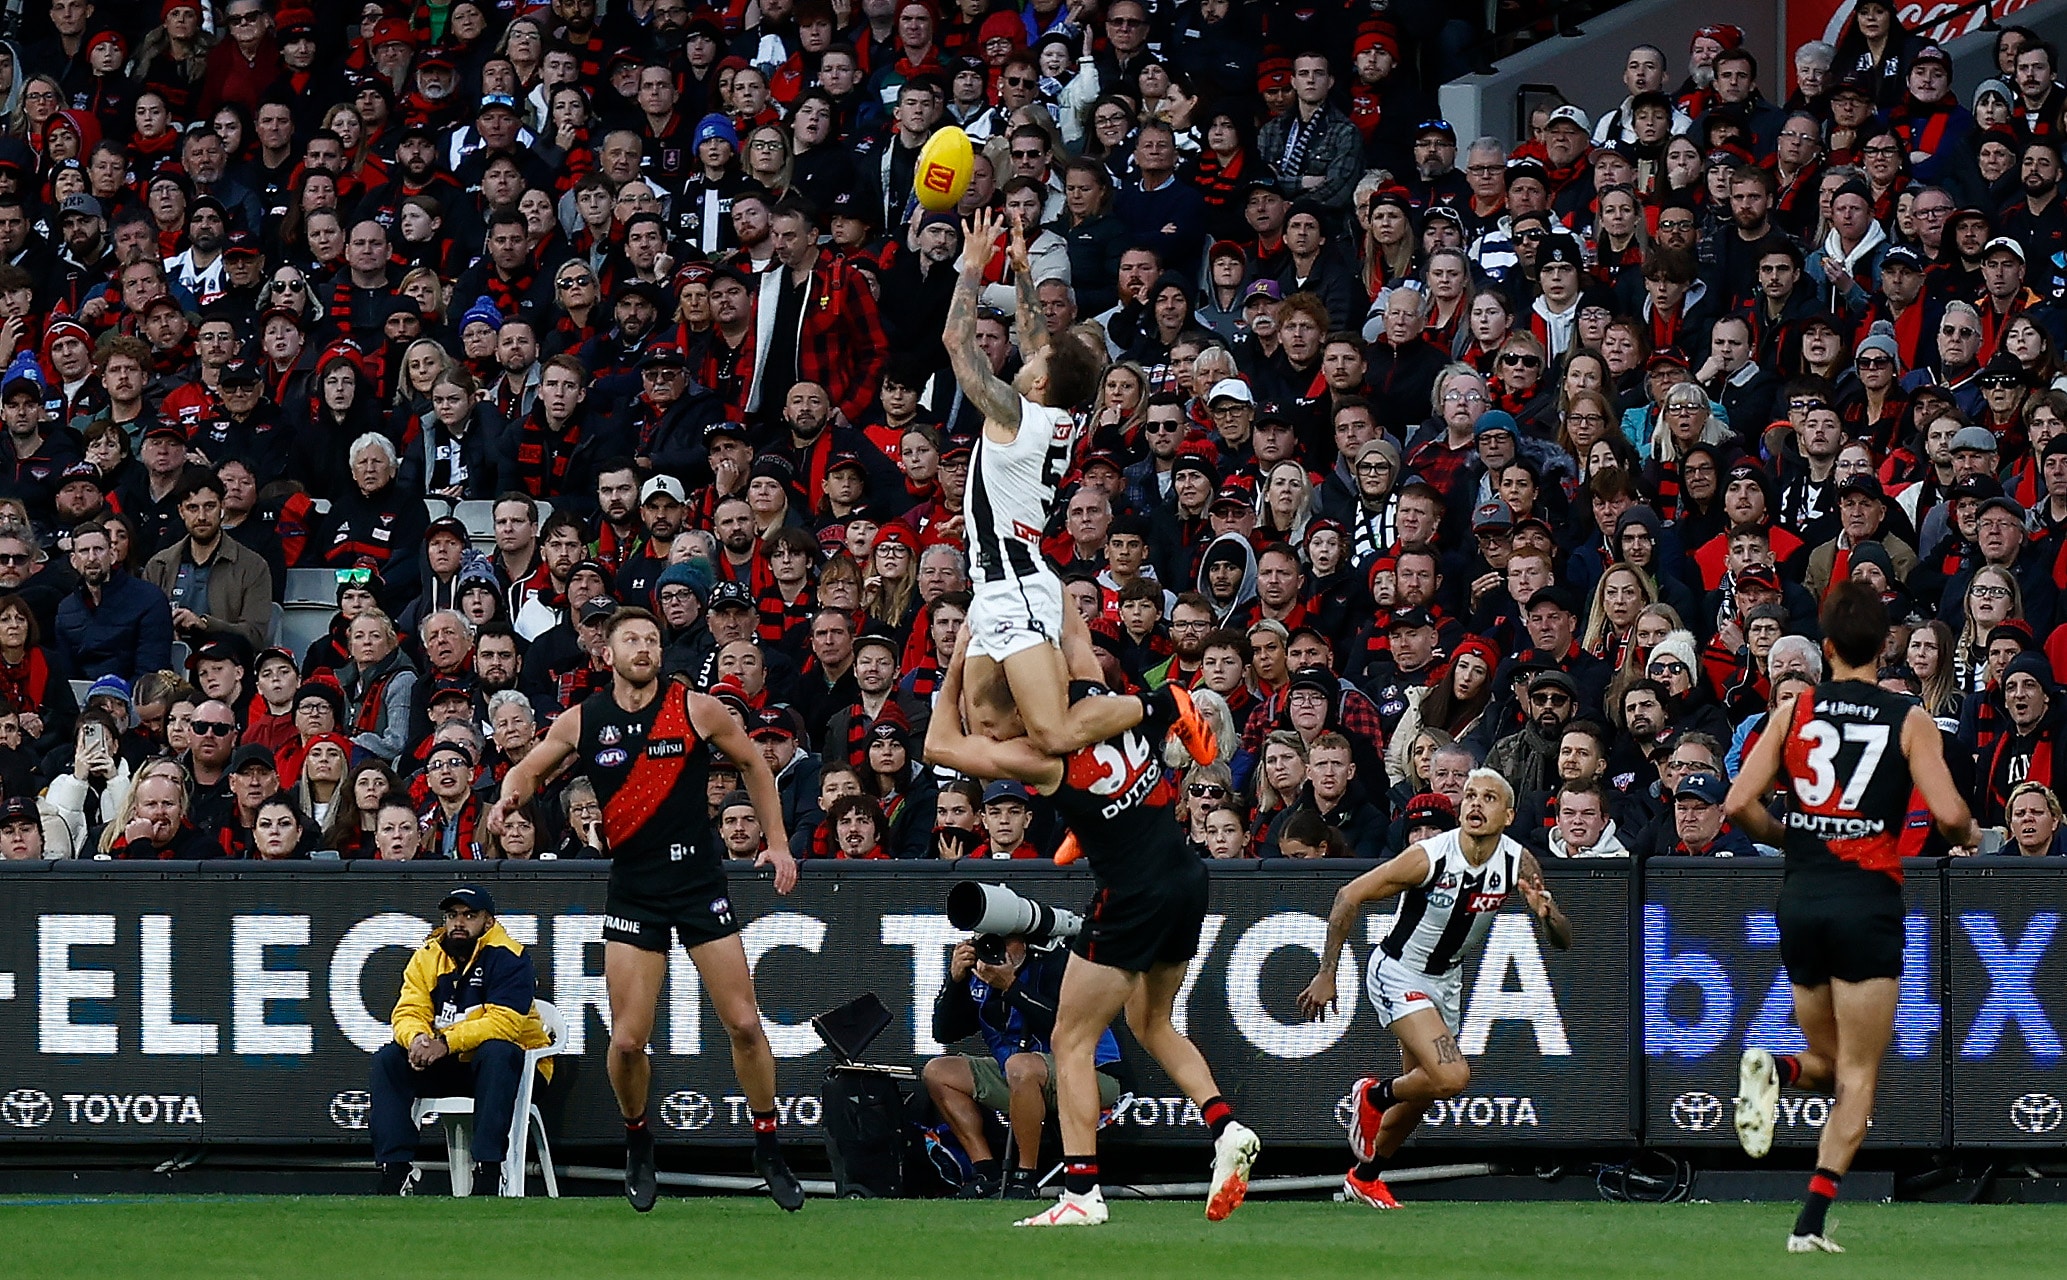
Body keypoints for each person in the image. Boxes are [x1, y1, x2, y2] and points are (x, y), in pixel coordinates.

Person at [925, 618, 1258, 1227]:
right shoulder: (1104, 701)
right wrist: (1040, 608)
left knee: (1070, 1041)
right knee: (1151, 1021)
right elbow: (1077, 638)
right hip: (1187, 878)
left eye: (992, 722)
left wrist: (961, 655)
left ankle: (1081, 1192)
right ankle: (1225, 1125)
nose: (991, 734)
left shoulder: (1044, 758)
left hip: (1131, 895)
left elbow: (939, 747)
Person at [486, 606, 804, 1213]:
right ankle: (638, 1139)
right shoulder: (584, 719)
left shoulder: (696, 708)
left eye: (652, 639)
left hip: (698, 882)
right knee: (629, 1040)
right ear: (606, 654)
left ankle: (768, 1145)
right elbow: (529, 768)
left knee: (744, 1024)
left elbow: (754, 765)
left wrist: (779, 843)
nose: (644, 647)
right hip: (635, 888)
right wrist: (508, 800)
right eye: (631, 639)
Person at [1725, 582, 1979, 1254]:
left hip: (1801, 899)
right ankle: (1809, 1223)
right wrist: (1967, 835)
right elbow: (1950, 814)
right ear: (1885, 646)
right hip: (1866, 902)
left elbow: (1739, 803)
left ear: (1827, 646)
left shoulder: (1795, 709)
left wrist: (1792, 837)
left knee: (1828, 1062)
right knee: (1858, 1074)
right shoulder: (1908, 717)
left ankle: (1778, 1070)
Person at [944, 208, 1207, 763]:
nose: (1023, 354)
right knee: (990, 728)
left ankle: (1163, 705)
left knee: (1054, 734)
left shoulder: (1017, 415)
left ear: (1039, 380)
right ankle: (1099, 767)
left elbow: (957, 344)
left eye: (1031, 359)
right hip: (1004, 577)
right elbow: (1041, 341)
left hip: (1013, 580)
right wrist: (1021, 271)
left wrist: (972, 268)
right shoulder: (1057, 416)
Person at [1295, 768, 1572, 1210]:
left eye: (1489, 798)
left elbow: (1563, 940)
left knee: (1422, 1094)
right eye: (1470, 796)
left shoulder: (1518, 862)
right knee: (1451, 1076)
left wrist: (1547, 914)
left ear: (1508, 815)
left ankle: (1364, 1178)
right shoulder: (1429, 857)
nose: (1476, 804)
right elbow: (1349, 895)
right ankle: (1371, 1095)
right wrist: (1327, 972)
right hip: (1399, 971)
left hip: (1447, 981)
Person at [370, 885, 556, 1196]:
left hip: (518, 1072)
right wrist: (417, 1039)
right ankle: (396, 1169)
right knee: (389, 1059)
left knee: (497, 1051)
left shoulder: (509, 956)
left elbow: (505, 1024)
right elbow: (408, 1010)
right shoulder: (428, 956)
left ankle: (488, 1171)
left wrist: (445, 1043)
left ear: (488, 921)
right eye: (452, 915)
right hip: (453, 1065)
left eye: (469, 916)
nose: (459, 923)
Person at [922, 927, 1123, 1201]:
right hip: (1020, 1073)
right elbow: (944, 1033)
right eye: (988, 942)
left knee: (1020, 1066)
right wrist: (955, 980)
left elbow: (1066, 1030)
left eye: (1005, 942)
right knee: (939, 1072)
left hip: (1089, 1073)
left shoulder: (1052, 963)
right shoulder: (981, 976)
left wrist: (1012, 987)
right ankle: (986, 1172)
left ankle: (1025, 1176)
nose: (997, 951)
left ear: (1024, 942)